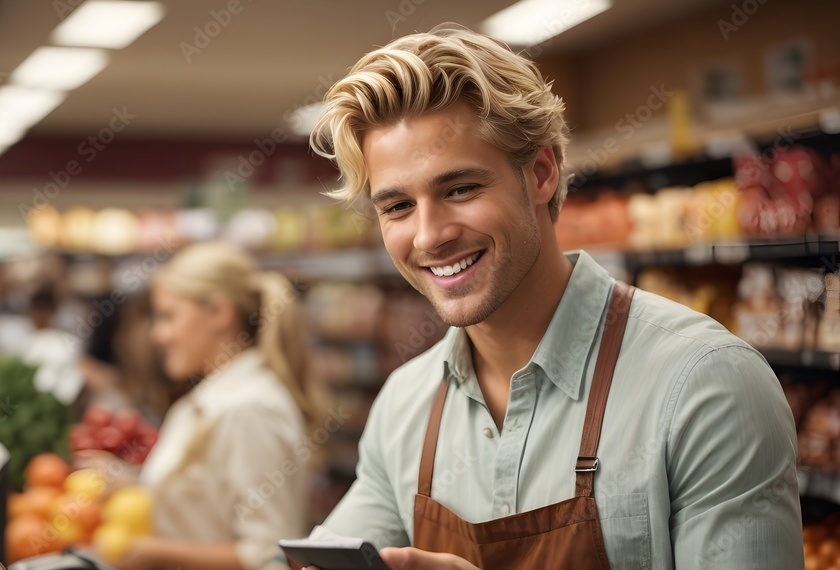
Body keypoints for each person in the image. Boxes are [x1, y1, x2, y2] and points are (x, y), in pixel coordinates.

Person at [297, 23, 803, 569]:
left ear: (540, 173)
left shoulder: (706, 385)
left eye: (460, 189)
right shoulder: (405, 405)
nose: (428, 235)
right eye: (397, 206)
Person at [82, 241, 321, 570]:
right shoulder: (214, 397)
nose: (157, 335)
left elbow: (269, 554)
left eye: (168, 316)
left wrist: (152, 552)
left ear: (219, 313)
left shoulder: (250, 409)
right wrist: (131, 483)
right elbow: (210, 504)